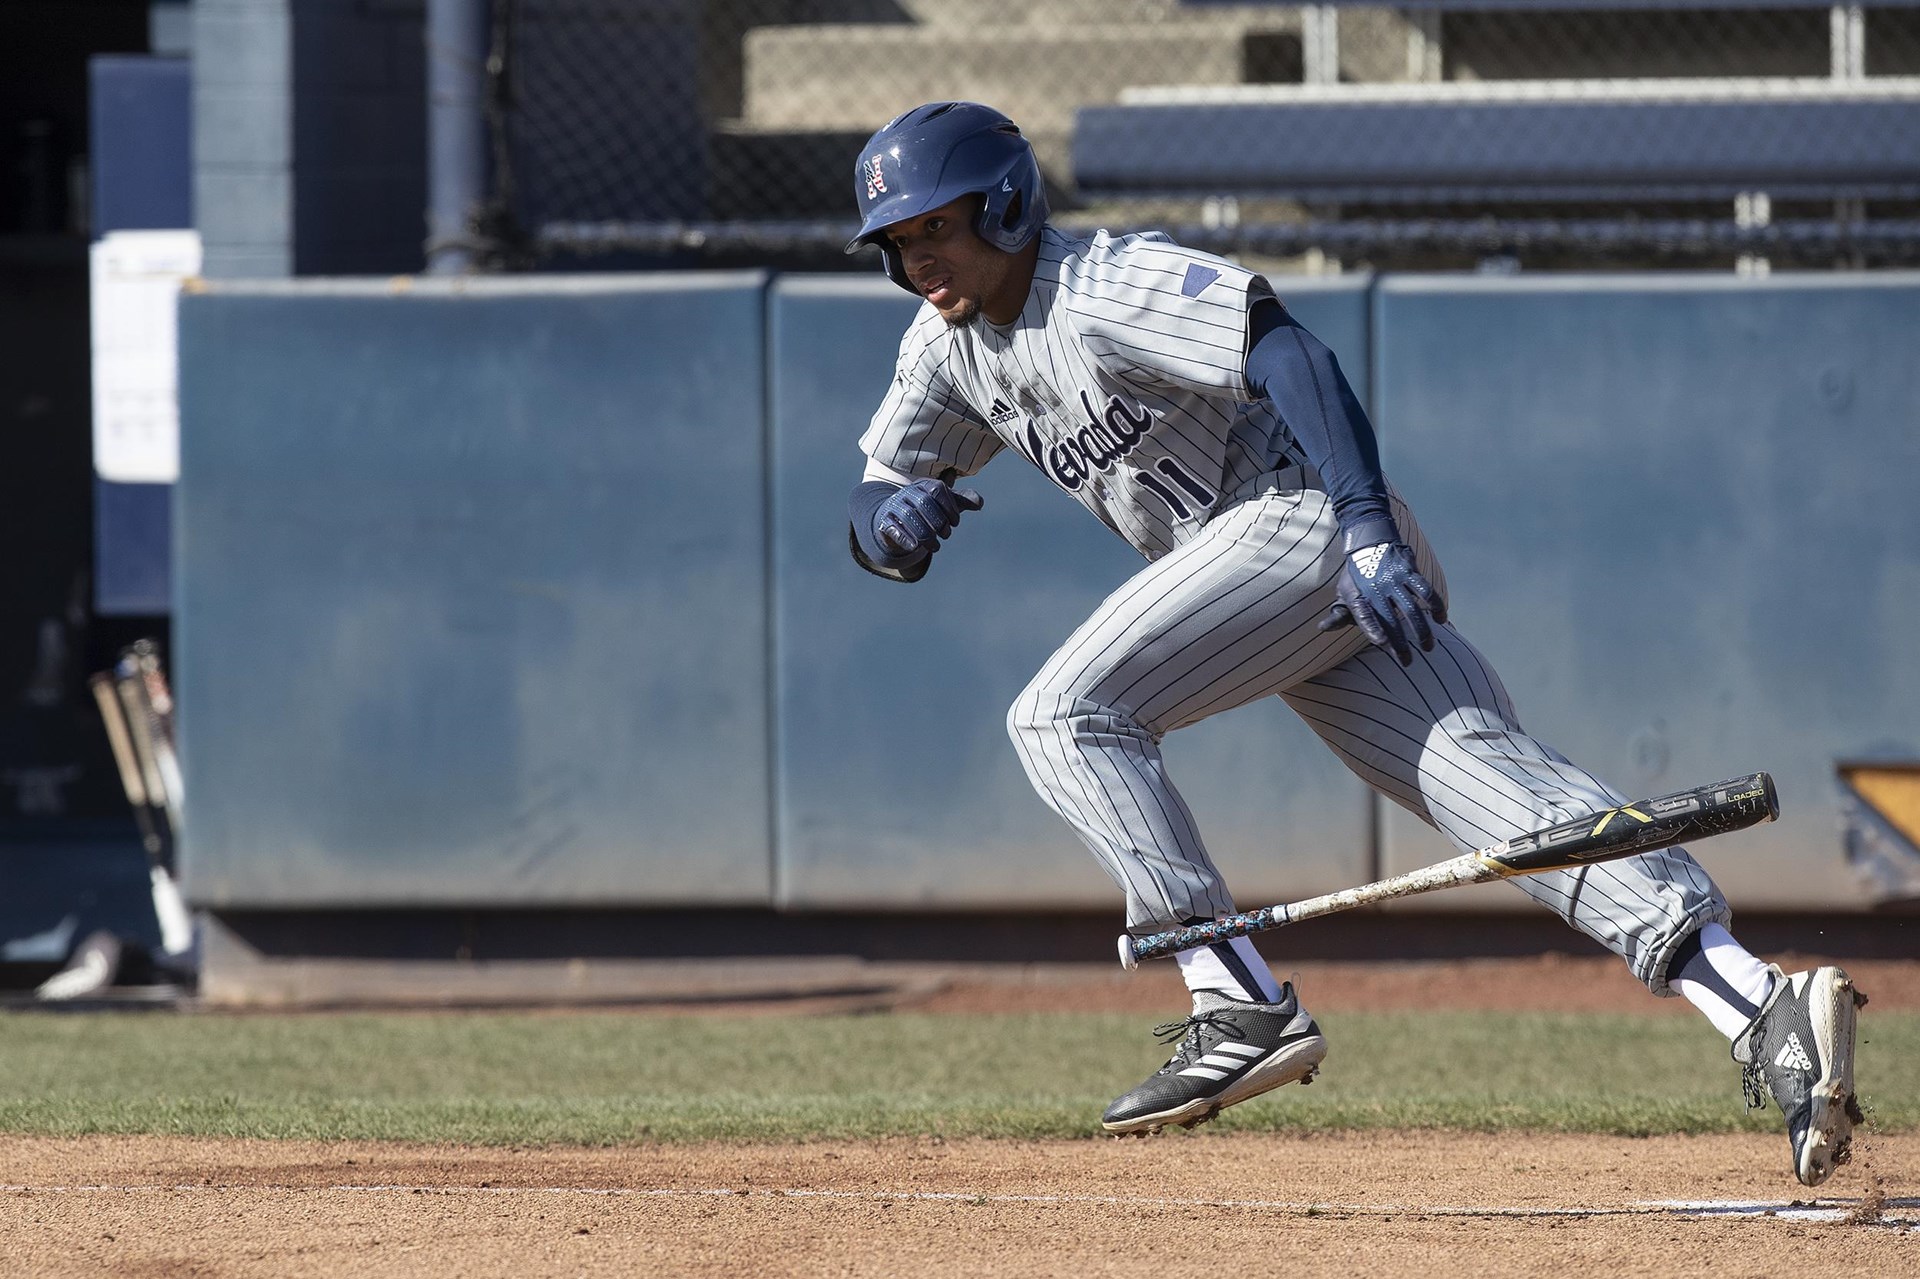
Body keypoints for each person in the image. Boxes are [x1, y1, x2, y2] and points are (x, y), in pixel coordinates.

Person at [841, 101, 1864, 1185]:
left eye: (936, 229)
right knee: (1505, 800)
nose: (920, 258)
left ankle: (1231, 993)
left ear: (1004, 205)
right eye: (901, 244)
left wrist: (1368, 531)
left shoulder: (1096, 283)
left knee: (1062, 715)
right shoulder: (944, 347)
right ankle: (1768, 1006)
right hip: (1270, 568)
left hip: (1307, 522)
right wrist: (888, 528)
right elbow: (877, 496)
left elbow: (1288, 351)